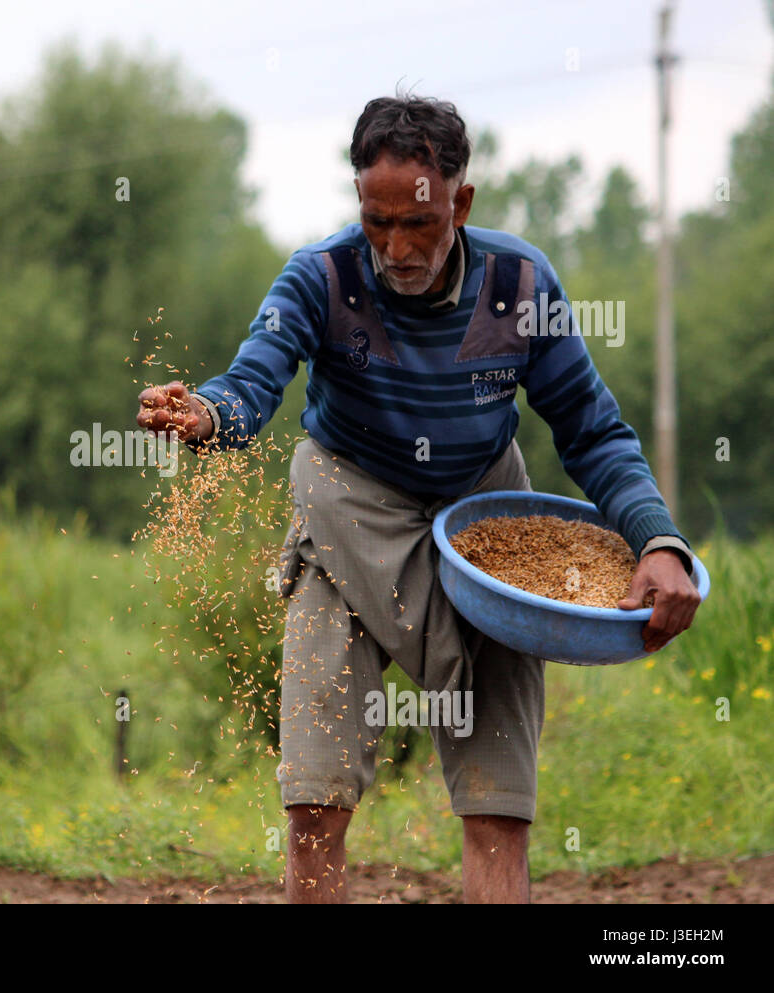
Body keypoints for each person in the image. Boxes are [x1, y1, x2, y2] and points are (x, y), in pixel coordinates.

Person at [135, 94, 702, 904]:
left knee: (500, 807)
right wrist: (207, 415)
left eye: (420, 226)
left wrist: (659, 542)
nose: (396, 248)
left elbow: (593, 432)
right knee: (314, 803)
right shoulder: (320, 279)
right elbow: (253, 381)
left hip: (487, 538)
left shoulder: (521, 285)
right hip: (346, 523)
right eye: (377, 222)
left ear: (461, 202)